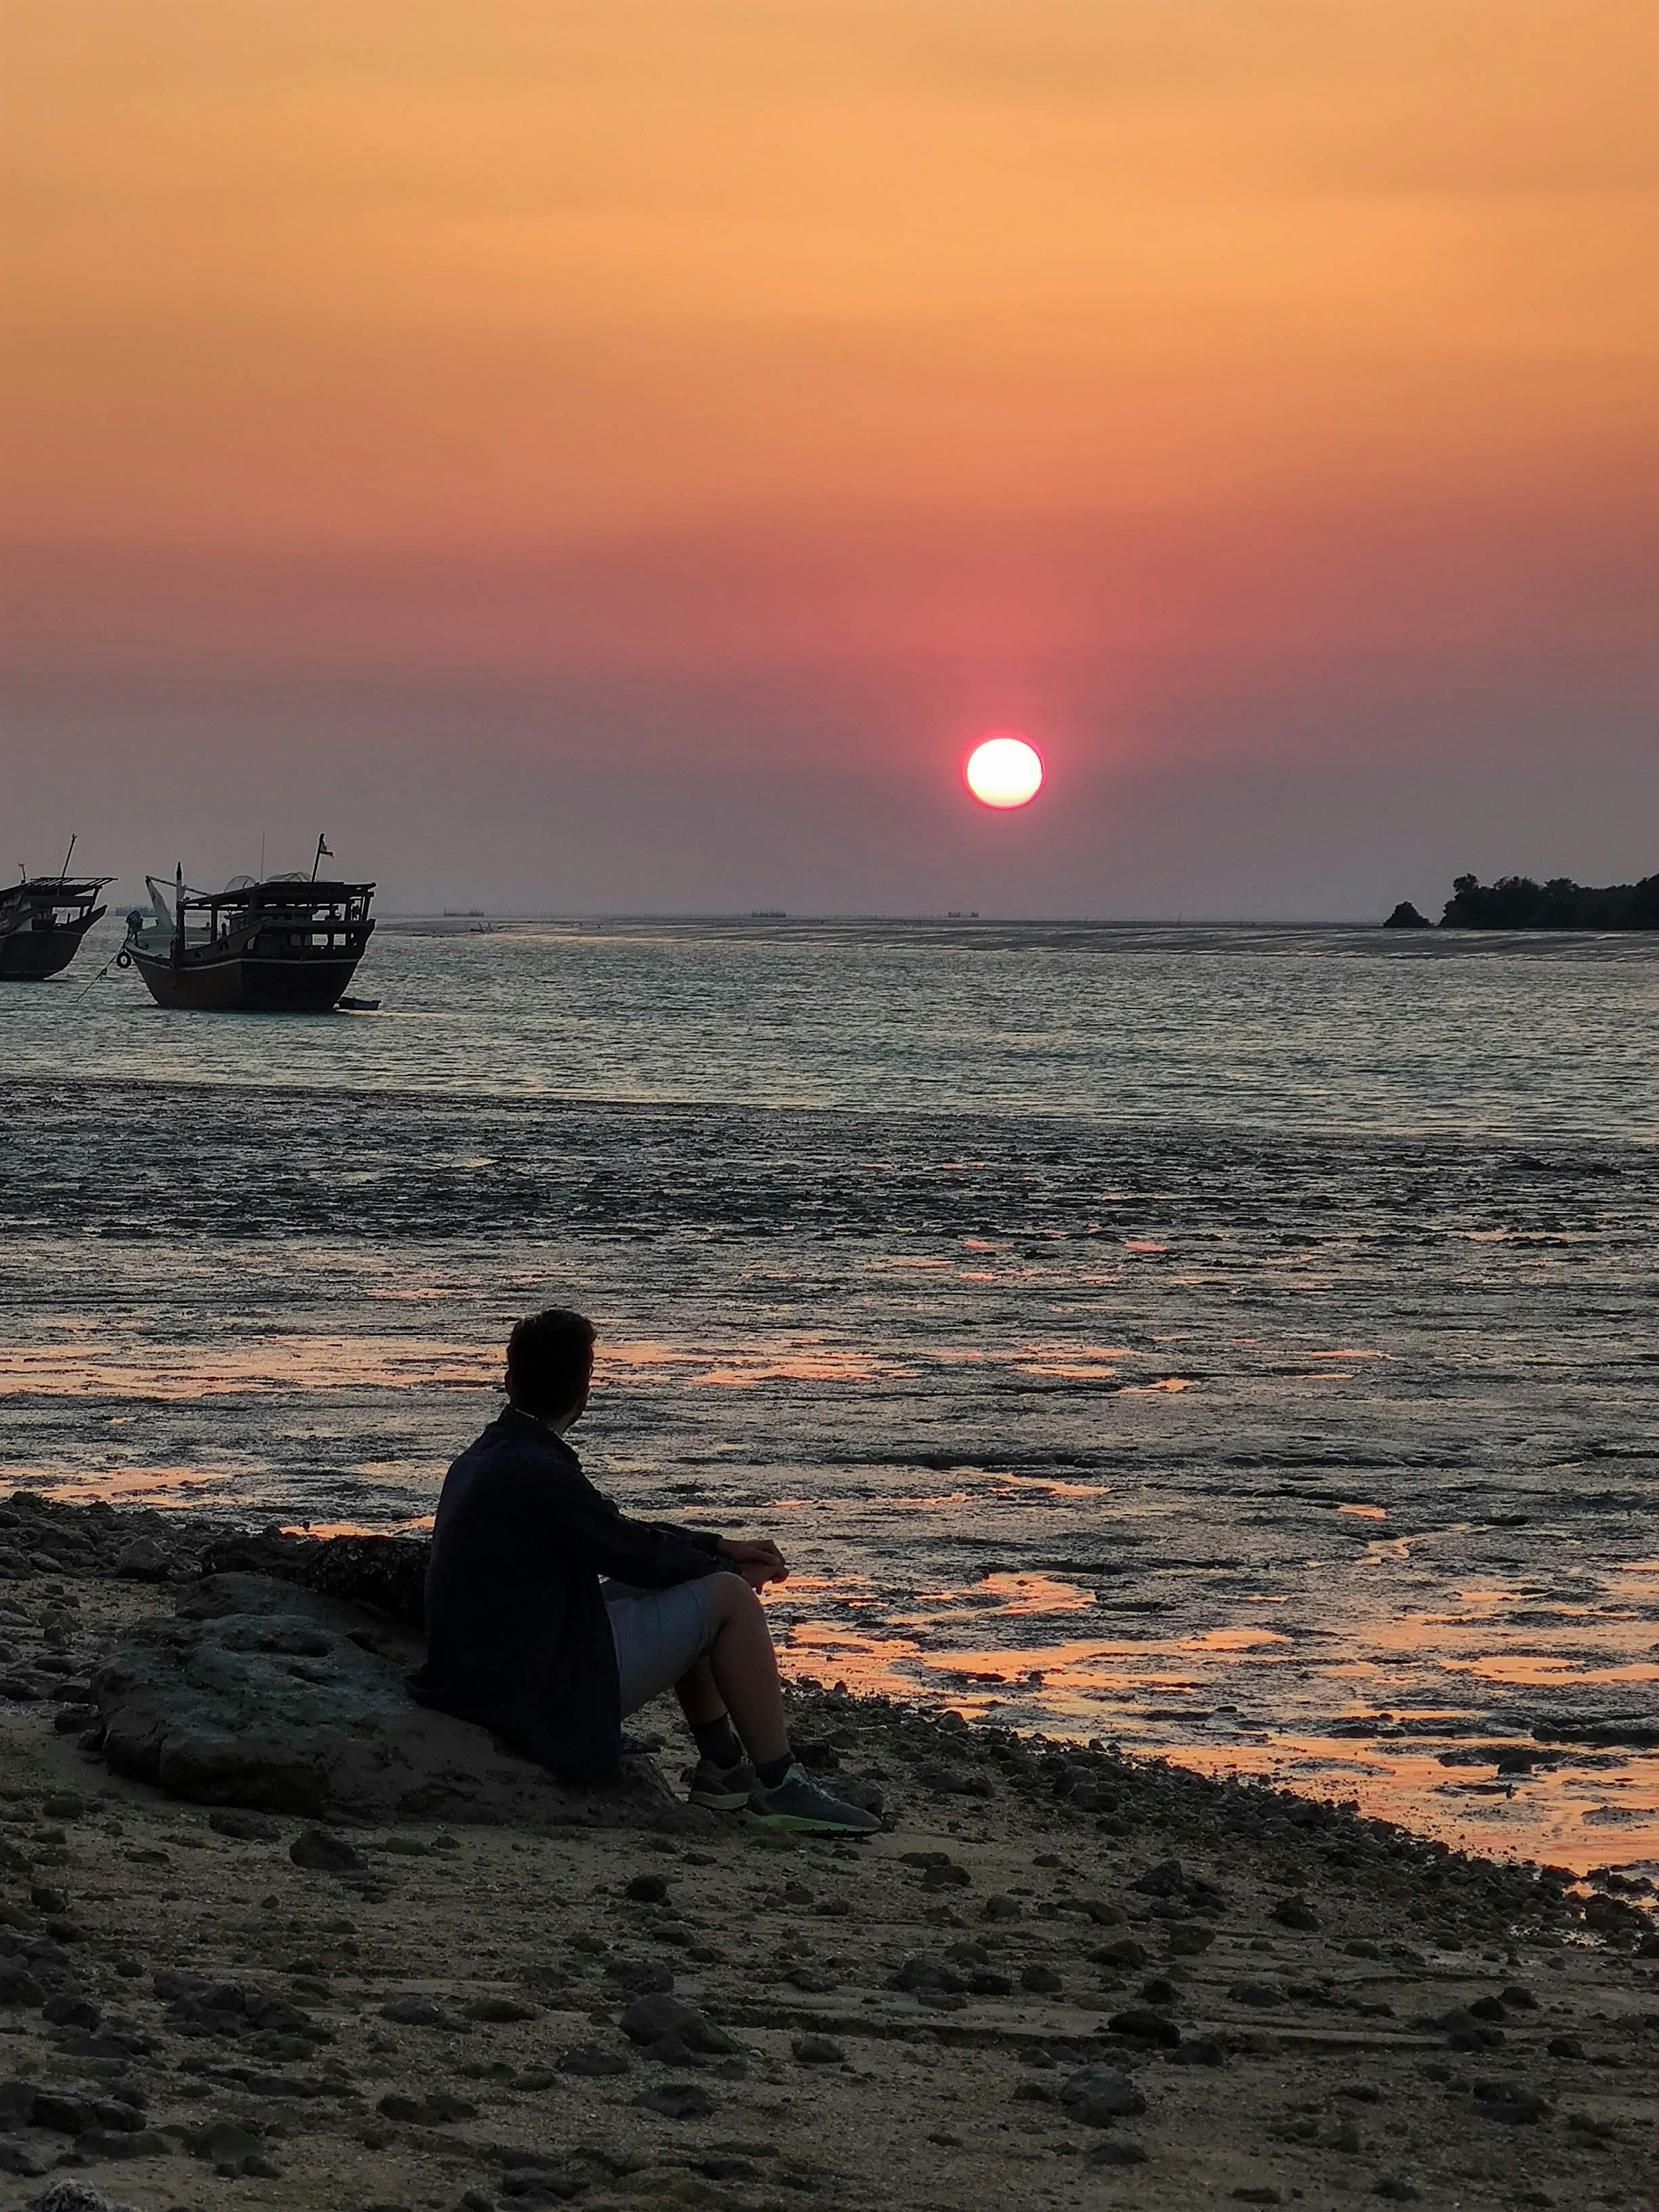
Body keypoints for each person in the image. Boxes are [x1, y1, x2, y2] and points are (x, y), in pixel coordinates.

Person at [408, 1307, 878, 1835]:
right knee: (727, 1598)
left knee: (693, 1579)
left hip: (491, 1671)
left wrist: (720, 1545)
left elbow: (617, 1533)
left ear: (509, 1378)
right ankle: (777, 1783)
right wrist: (727, 1567)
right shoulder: (535, 1472)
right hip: (529, 1694)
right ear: (583, 1393)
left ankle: (722, 1768)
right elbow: (634, 1551)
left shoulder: (494, 1455)